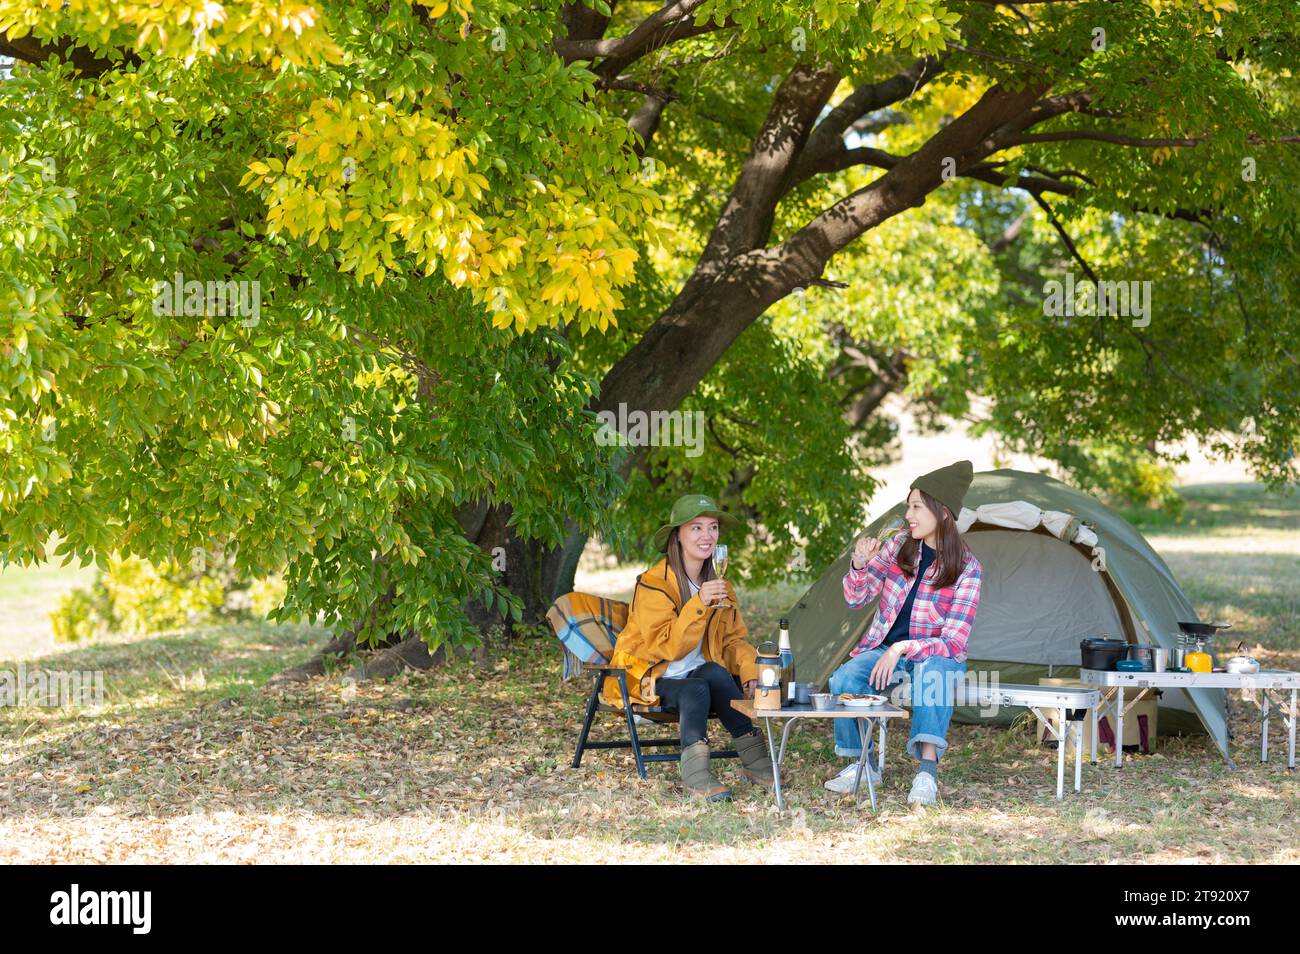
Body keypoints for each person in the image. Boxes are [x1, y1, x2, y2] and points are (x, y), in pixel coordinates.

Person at [824, 460, 982, 806]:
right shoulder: (898, 546)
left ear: (942, 513)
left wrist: (904, 647)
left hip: (933, 655)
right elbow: (856, 598)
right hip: (886, 650)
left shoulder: (967, 568)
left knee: (934, 673)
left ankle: (926, 772)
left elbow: (953, 641)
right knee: (845, 678)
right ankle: (863, 765)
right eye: (908, 505)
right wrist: (859, 565)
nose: (908, 514)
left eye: (916, 507)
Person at [603, 494, 775, 801]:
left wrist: (750, 671)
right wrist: (699, 603)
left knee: (717, 675)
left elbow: (734, 639)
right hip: (651, 677)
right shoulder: (653, 585)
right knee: (696, 688)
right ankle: (697, 777)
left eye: (712, 527)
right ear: (677, 536)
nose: (707, 536)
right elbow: (666, 648)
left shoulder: (721, 583)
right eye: (696, 528)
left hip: (698, 673)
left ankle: (757, 764)